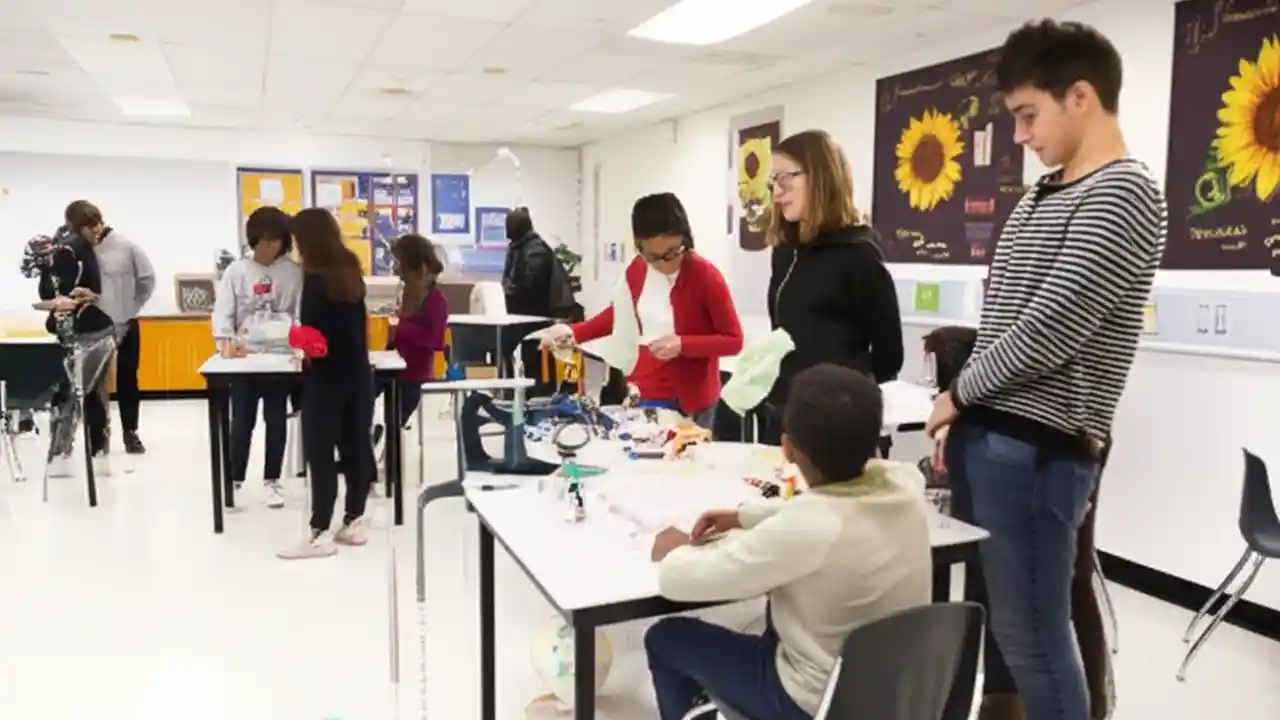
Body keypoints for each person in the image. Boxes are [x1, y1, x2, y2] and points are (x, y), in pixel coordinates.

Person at [925, 20, 1167, 720]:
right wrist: (966, 408)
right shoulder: (1044, 193)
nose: (1022, 135)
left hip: (1040, 449)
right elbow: (1007, 319)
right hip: (996, 436)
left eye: (1029, 115)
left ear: (1081, 96)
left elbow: (1050, 329)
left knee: (1034, 635)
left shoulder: (1123, 194)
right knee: (1003, 624)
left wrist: (958, 392)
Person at [645, 364, 931, 720]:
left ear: (787, 448)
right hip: (901, 690)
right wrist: (743, 516)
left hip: (819, 702)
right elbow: (829, 504)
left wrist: (678, 551)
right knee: (776, 620)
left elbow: (678, 581)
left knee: (666, 638)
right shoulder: (905, 485)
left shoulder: (807, 528)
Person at [541, 193, 742, 427]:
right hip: (646, 392)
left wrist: (683, 344)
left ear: (685, 239)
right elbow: (621, 315)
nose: (665, 263)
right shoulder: (637, 271)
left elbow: (733, 340)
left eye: (673, 252)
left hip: (691, 401)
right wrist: (573, 333)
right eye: (653, 257)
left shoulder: (705, 277)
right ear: (639, 246)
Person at [760, 129, 903, 444]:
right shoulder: (785, 251)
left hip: (834, 422)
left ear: (821, 177)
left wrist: (842, 397)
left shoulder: (858, 254)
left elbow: (889, 356)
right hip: (784, 412)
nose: (777, 193)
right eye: (774, 182)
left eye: (785, 179)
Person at [278, 208, 374, 560]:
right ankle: (353, 520)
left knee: (319, 453)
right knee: (355, 446)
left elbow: (318, 337)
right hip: (358, 374)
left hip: (327, 376)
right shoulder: (350, 269)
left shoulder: (315, 280)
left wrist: (298, 341)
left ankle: (318, 531)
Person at [211, 206, 304, 509]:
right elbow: (223, 311)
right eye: (265, 242)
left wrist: (299, 344)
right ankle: (234, 477)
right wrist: (225, 340)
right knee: (242, 422)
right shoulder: (237, 272)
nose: (271, 247)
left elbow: (300, 314)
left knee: (276, 420)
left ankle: (272, 480)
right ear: (254, 241)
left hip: (280, 360)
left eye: (276, 242)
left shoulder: (293, 273)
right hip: (245, 360)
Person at [63, 200, 156, 455]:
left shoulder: (126, 247)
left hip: (125, 321)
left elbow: (147, 280)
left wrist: (131, 308)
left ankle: (131, 433)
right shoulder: (77, 249)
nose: (94, 233)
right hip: (93, 324)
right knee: (93, 383)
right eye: (86, 229)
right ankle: (98, 437)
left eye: (96, 226)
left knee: (128, 380)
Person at [37, 227, 115, 477]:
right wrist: (58, 304)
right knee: (65, 392)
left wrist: (88, 299)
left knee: (91, 391)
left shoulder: (96, 262)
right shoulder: (55, 266)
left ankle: (98, 448)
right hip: (67, 334)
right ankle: (61, 449)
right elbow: (47, 296)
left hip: (95, 332)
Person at [373, 233, 447, 442]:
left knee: (394, 421)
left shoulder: (435, 300)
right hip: (391, 368)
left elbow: (436, 341)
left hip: (413, 375)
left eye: (399, 263)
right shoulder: (408, 292)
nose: (395, 269)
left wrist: (403, 328)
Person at [502, 206, 577, 394]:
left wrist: (509, 293)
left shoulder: (535, 250)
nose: (506, 232)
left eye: (509, 226)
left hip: (534, 319)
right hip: (524, 317)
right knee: (523, 359)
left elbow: (529, 285)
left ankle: (536, 400)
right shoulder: (521, 247)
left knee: (535, 364)